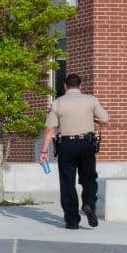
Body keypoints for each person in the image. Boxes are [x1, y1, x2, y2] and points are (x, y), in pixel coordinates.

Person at [40, 72, 108, 230]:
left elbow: (50, 128)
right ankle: (89, 204)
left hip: (67, 146)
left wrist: (44, 151)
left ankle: (72, 221)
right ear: (80, 85)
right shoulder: (91, 100)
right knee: (89, 178)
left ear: (65, 86)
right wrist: (91, 118)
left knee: (67, 183)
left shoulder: (58, 103)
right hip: (86, 143)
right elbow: (104, 118)